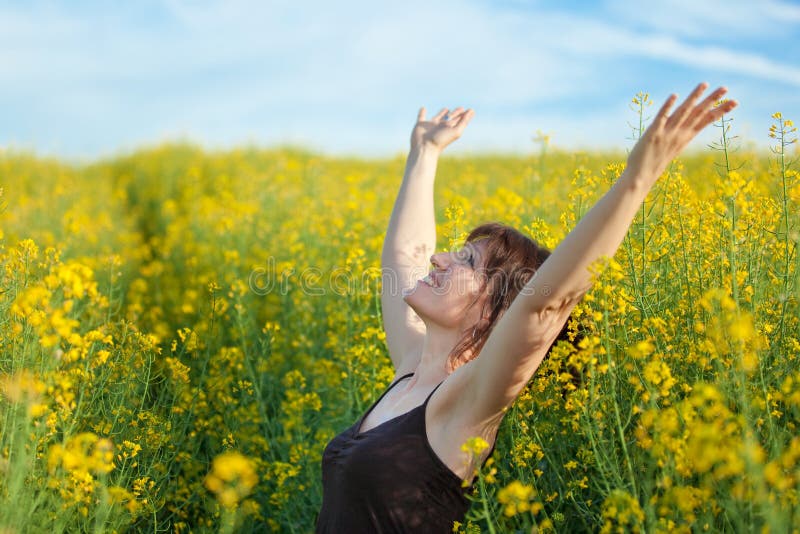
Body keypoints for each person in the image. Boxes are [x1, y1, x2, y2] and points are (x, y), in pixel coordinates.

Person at [316, 84, 737, 533]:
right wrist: (424, 152)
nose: (440, 259)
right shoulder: (410, 369)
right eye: (453, 252)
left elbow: (548, 305)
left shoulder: (465, 404)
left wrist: (639, 177)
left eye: (467, 261)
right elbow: (404, 258)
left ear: (495, 311)